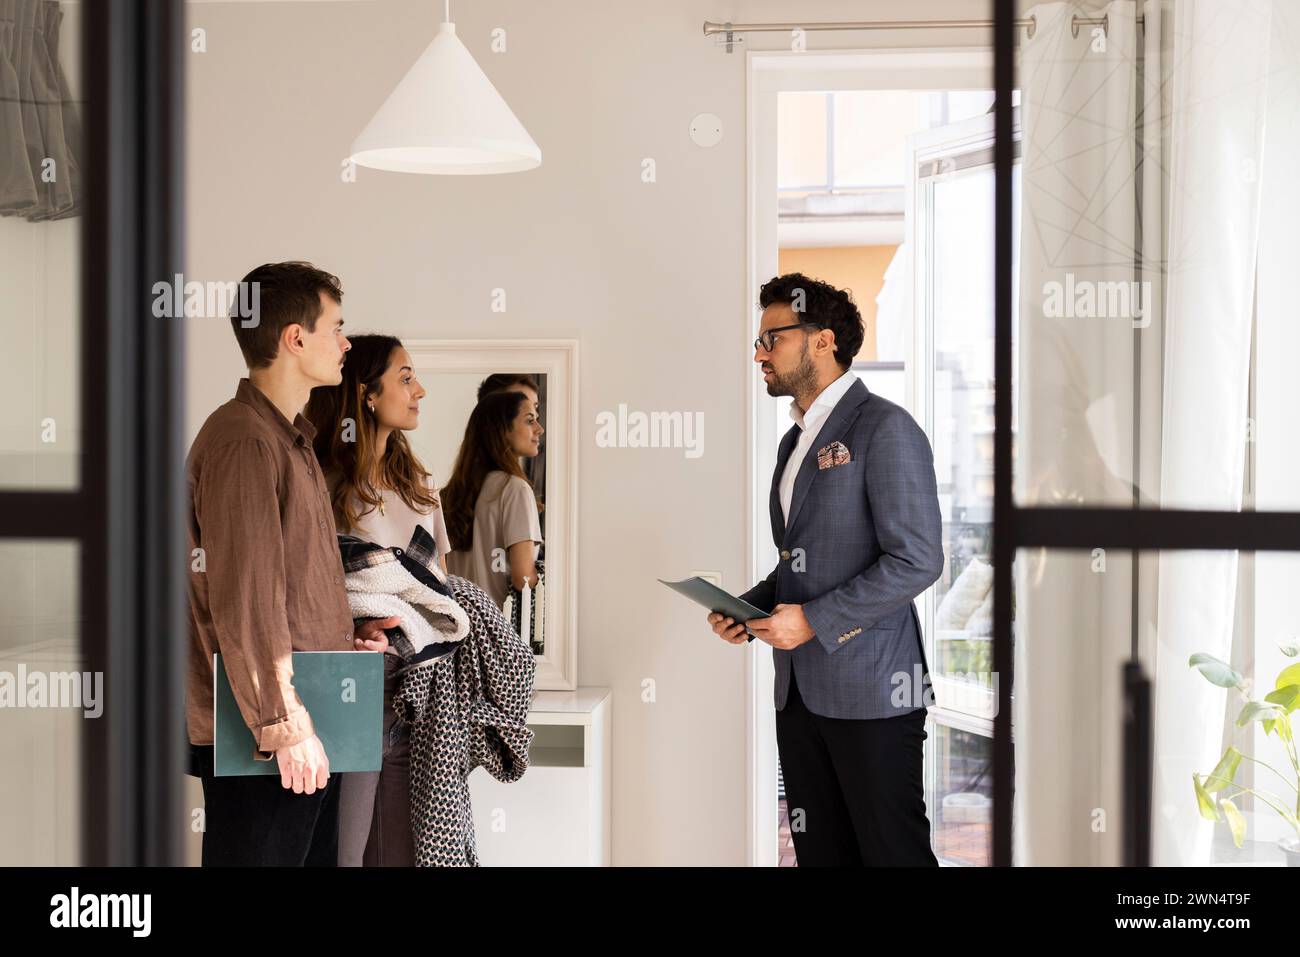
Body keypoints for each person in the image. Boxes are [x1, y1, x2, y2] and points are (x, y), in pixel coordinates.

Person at [708, 272, 944, 867]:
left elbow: (918, 559)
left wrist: (813, 620)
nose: (759, 353)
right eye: (758, 341)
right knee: (821, 857)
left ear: (822, 340)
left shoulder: (886, 428)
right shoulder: (794, 443)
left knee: (894, 856)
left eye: (772, 338)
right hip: (798, 695)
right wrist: (750, 607)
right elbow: (800, 562)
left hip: (874, 693)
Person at [185, 261, 395, 867]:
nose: (346, 343)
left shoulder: (287, 440)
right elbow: (245, 603)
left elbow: (282, 592)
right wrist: (285, 728)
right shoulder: (245, 442)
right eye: (337, 327)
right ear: (295, 339)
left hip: (297, 724)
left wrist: (342, 637)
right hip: (269, 739)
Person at [305, 333, 448, 867]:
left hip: (419, 683)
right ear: (366, 393)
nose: (420, 390)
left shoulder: (421, 484)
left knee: (405, 848)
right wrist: (353, 629)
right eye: (406, 377)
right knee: (346, 845)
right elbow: (306, 590)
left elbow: (439, 591)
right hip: (352, 678)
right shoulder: (320, 481)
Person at [440, 391, 544, 609]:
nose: (539, 429)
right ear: (503, 430)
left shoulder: (450, 495)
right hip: (499, 631)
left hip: (460, 629)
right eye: (529, 420)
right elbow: (522, 579)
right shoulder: (515, 489)